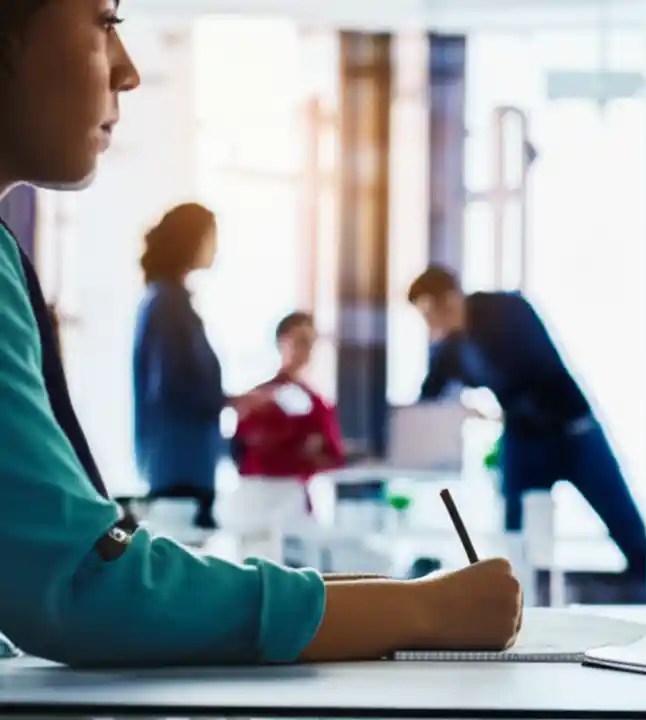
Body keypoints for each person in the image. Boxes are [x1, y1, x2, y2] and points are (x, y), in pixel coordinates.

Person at [0, 0, 520, 667]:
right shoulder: (165, 308)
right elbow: (84, 586)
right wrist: (421, 610)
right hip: (179, 470)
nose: (127, 72)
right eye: (105, 23)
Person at [408, 266, 646, 595]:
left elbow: (531, 368)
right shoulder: (451, 345)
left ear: (450, 300)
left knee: (630, 533)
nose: (430, 326)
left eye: (429, 314)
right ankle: (518, 614)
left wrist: (489, 407)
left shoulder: (506, 310)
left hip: (572, 432)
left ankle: (641, 595)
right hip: (525, 440)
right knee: (516, 542)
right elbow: (429, 396)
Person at [131, 201, 255, 529]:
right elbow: (172, 386)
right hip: (179, 465)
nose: (216, 248)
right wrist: (226, 401)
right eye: (211, 237)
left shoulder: (174, 303)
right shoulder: (167, 305)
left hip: (185, 462)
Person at [228, 312, 344, 532]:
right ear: (282, 342)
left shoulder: (318, 405)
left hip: (293, 499)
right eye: (299, 341)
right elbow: (241, 448)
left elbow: (332, 455)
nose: (305, 350)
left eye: (310, 343)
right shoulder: (257, 400)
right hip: (256, 498)